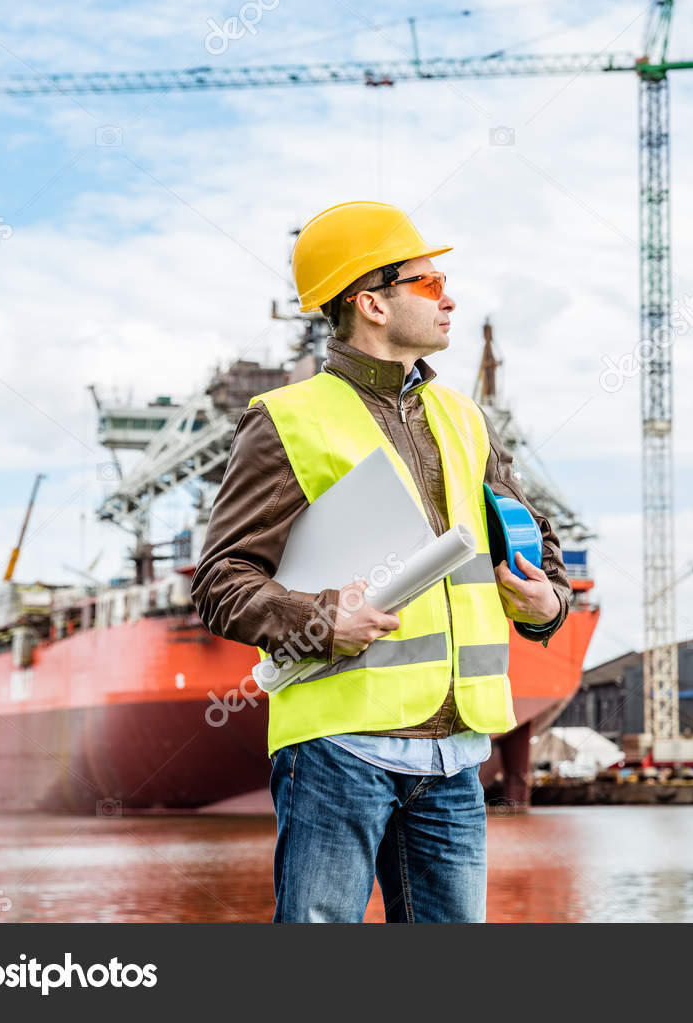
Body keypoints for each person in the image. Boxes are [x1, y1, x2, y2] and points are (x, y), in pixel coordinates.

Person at [192, 200, 572, 923]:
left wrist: (548, 604)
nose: (449, 296)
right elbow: (219, 581)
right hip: (339, 750)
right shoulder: (286, 420)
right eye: (429, 284)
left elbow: (535, 540)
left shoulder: (466, 418)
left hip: (455, 754)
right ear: (371, 302)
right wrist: (318, 618)